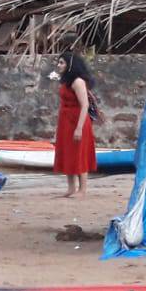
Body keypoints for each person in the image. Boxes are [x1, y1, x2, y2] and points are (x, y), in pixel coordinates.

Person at [53, 49, 98, 197]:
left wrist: (79, 128)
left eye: (61, 62)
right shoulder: (65, 81)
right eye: (58, 62)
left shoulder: (78, 82)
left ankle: (82, 189)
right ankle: (71, 188)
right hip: (66, 120)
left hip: (78, 119)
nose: (58, 65)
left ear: (70, 65)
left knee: (79, 152)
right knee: (67, 152)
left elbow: (84, 104)